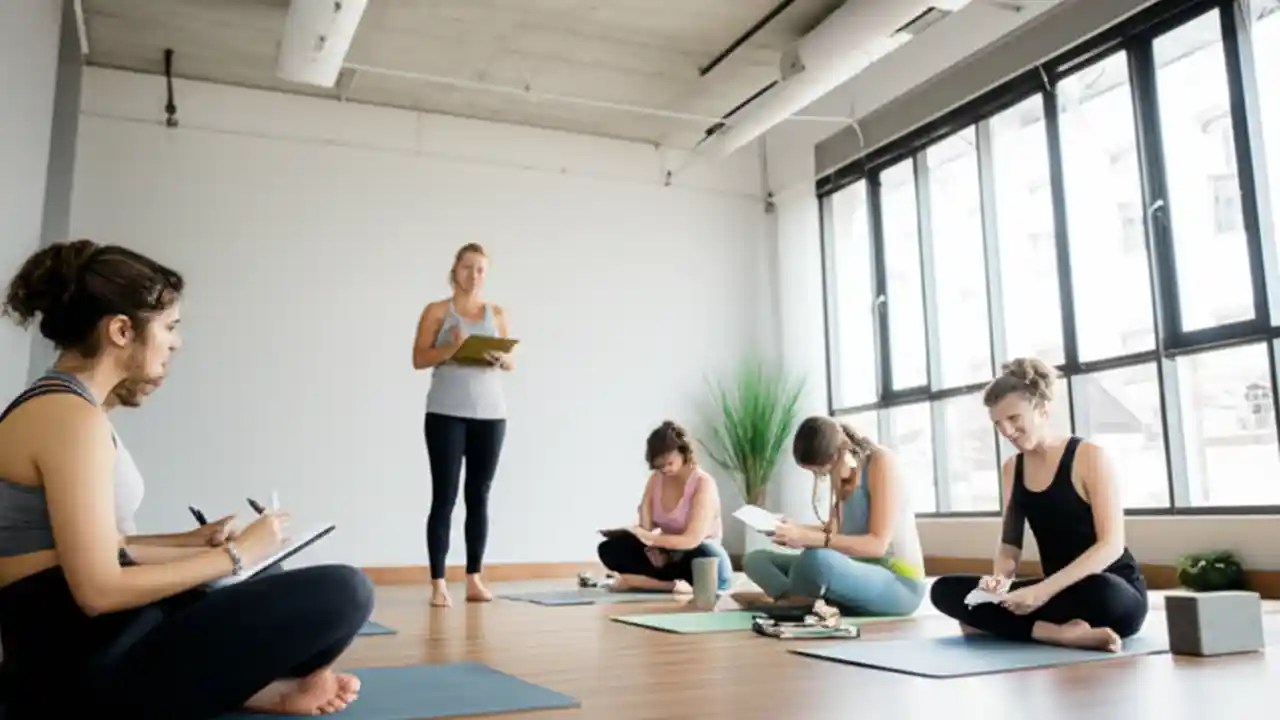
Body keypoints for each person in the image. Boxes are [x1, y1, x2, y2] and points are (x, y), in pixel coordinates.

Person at [0, 240, 373, 718]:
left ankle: (257, 690)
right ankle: (254, 689)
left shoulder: (64, 406)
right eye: (170, 327)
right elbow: (97, 590)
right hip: (77, 667)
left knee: (267, 574)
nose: (176, 343)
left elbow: (102, 547)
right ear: (121, 330)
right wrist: (234, 555)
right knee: (345, 592)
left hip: (87, 641)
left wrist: (192, 543)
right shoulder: (69, 418)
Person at [928, 358, 1148, 653]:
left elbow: (1111, 545)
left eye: (1014, 418)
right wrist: (998, 583)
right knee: (944, 590)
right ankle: (1055, 633)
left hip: (1109, 592)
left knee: (1102, 591)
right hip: (1054, 594)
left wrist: (1041, 592)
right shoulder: (1012, 469)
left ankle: (998, 623)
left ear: (1042, 409)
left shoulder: (1089, 457)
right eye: (998, 424)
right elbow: (1010, 545)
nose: (1007, 431)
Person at [411, 242, 514, 608]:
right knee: (445, 496)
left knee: (479, 495)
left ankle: (474, 578)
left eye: (481, 269)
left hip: (490, 415)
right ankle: (438, 583)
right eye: (468, 267)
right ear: (455, 270)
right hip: (446, 414)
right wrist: (452, 350)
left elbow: (511, 362)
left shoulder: (496, 313)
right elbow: (419, 358)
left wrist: (500, 358)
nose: (474, 275)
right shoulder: (437, 311)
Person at [741, 416, 926, 617]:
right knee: (756, 560)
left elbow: (877, 545)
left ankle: (798, 601)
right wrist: (794, 529)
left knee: (816, 560)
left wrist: (805, 537)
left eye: (820, 471)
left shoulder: (880, 461)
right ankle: (795, 600)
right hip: (854, 569)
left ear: (838, 453)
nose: (820, 477)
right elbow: (835, 532)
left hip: (898, 581)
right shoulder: (842, 473)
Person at [596, 421, 734, 593]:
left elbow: (692, 539)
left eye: (669, 463)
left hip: (699, 557)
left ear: (683, 452)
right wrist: (652, 548)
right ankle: (670, 585)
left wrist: (651, 539)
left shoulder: (703, 483)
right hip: (667, 554)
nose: (665, 470)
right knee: (610, 548)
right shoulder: (656, 479)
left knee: (704, 553)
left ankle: (645, 582)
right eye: (659, 467)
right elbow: (647, 527)